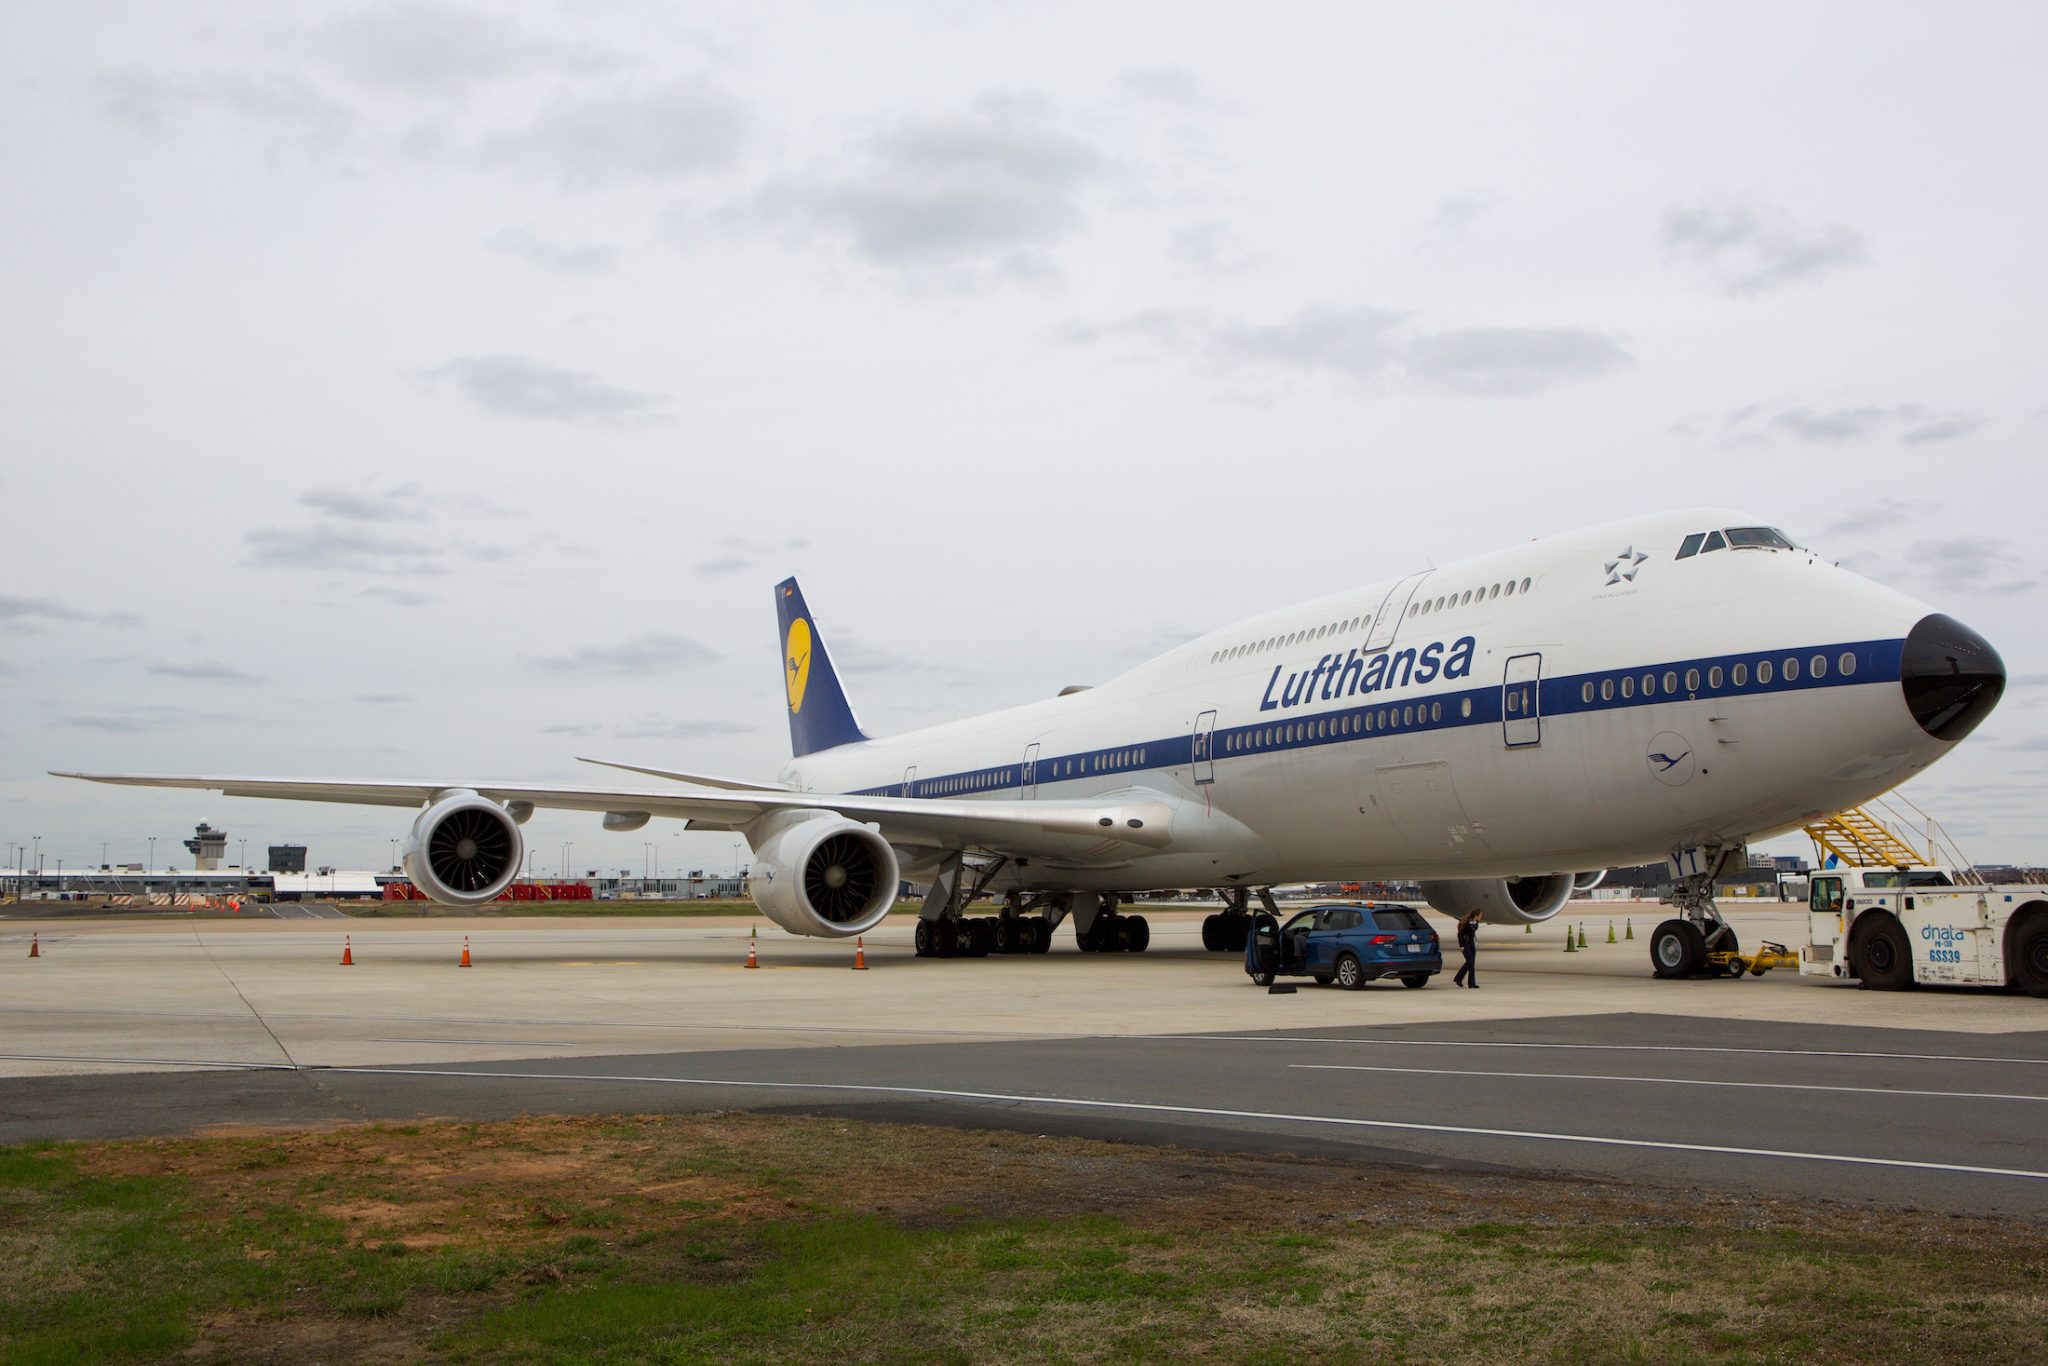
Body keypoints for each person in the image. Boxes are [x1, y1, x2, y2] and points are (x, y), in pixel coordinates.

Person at [1453, 910, 1481, 988]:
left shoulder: (1476, 923)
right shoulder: (1466, 923)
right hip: (1465, 943)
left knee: (1471, 963)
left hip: (1471, 943)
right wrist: (1461, 945)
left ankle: (1469, 982)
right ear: (1476, 915)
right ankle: (1461, 979)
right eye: (1480, 915)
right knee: (1470, 962)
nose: (1481, 917)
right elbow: (1460, 934)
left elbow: (1472, 932)